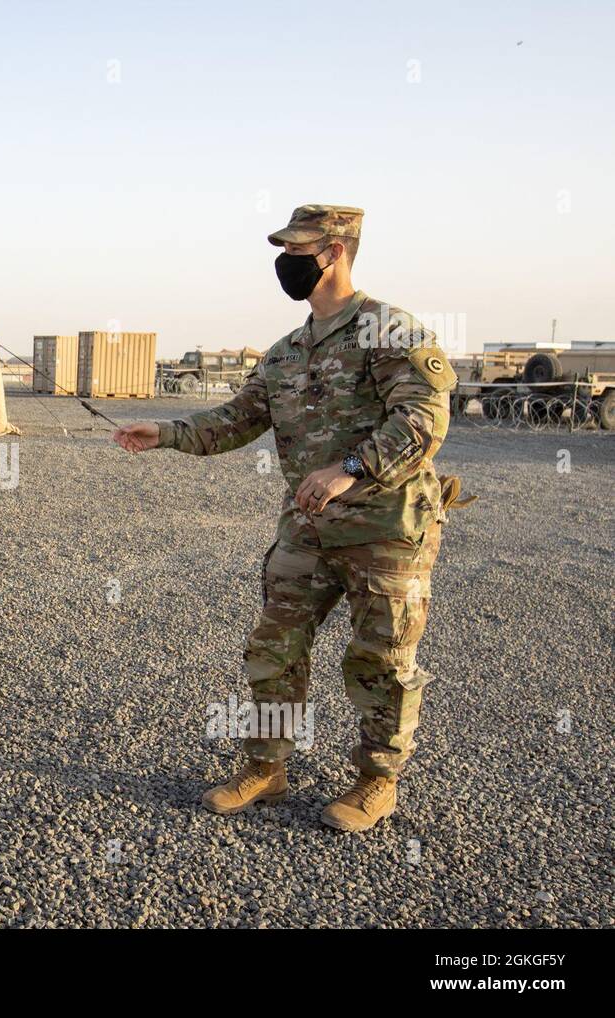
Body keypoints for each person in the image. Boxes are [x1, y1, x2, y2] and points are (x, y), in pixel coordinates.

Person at [113, 205, 461, 832]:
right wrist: (161, 431)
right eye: (283, 248)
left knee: (381, 661)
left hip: (386, 529)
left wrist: (347, 468)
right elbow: (237, 420)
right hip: (307, 531)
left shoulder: (390, 330)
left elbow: (423, 419)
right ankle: (266, 767)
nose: (286, 261)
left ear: (336, 250)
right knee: (273, 651)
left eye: (298, 249)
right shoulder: (286, 352)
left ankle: (377, 781)